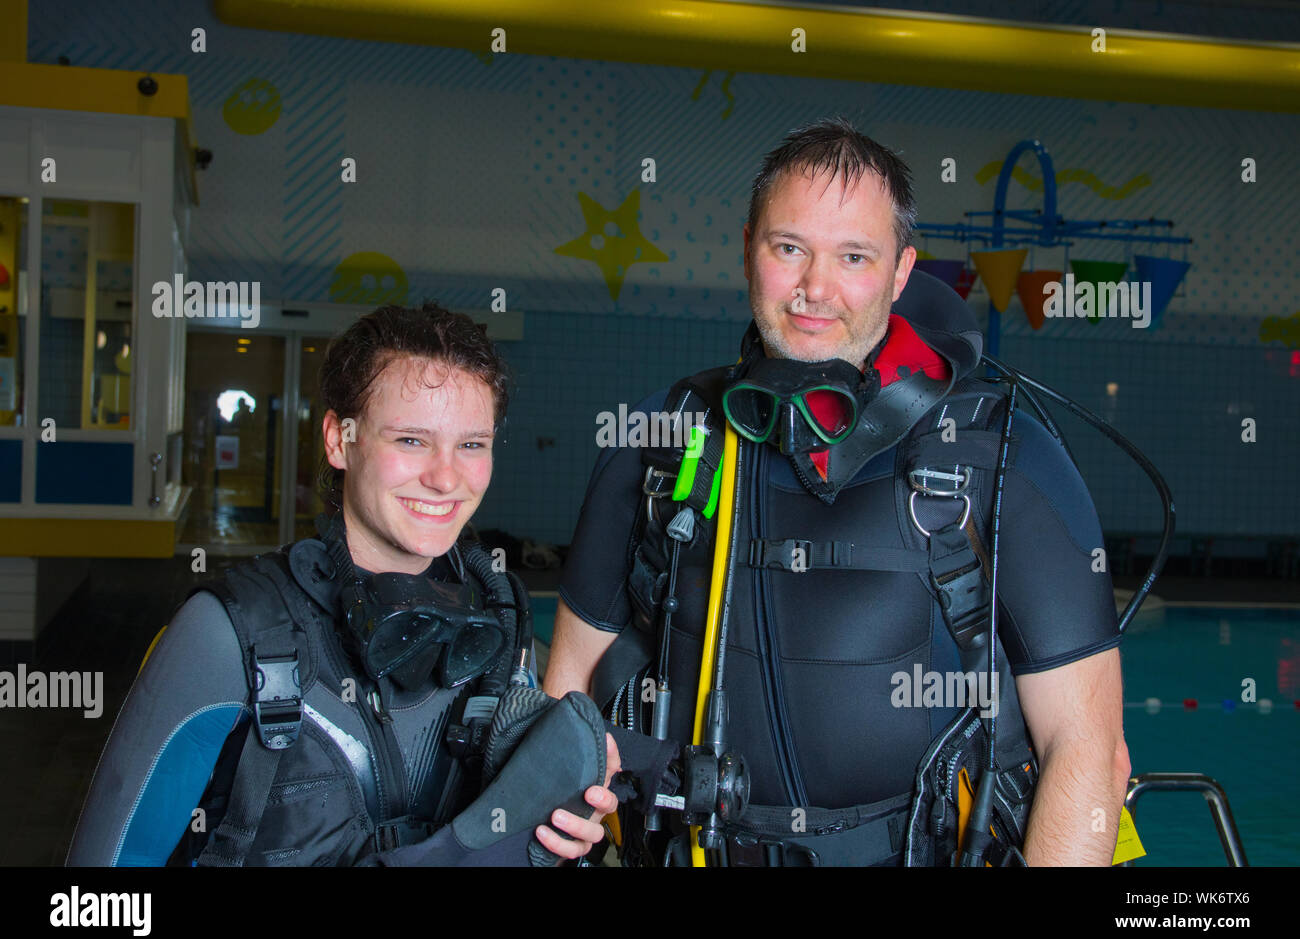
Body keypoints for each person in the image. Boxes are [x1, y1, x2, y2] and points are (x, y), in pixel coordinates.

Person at [545, 118, 1131, 866]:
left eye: (853, 257)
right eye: (789, 248)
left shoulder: (998, 458)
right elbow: (568, 694)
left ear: (899, 272)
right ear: (748, 245)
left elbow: (1088, 751)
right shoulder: (662, 442)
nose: (815, 289)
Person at [68, 302, 618, 867]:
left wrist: (552, 827)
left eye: (471, 444)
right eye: (410, 440)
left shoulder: (499, 621)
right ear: (339, 439)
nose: (446, 476)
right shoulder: (230, 632)